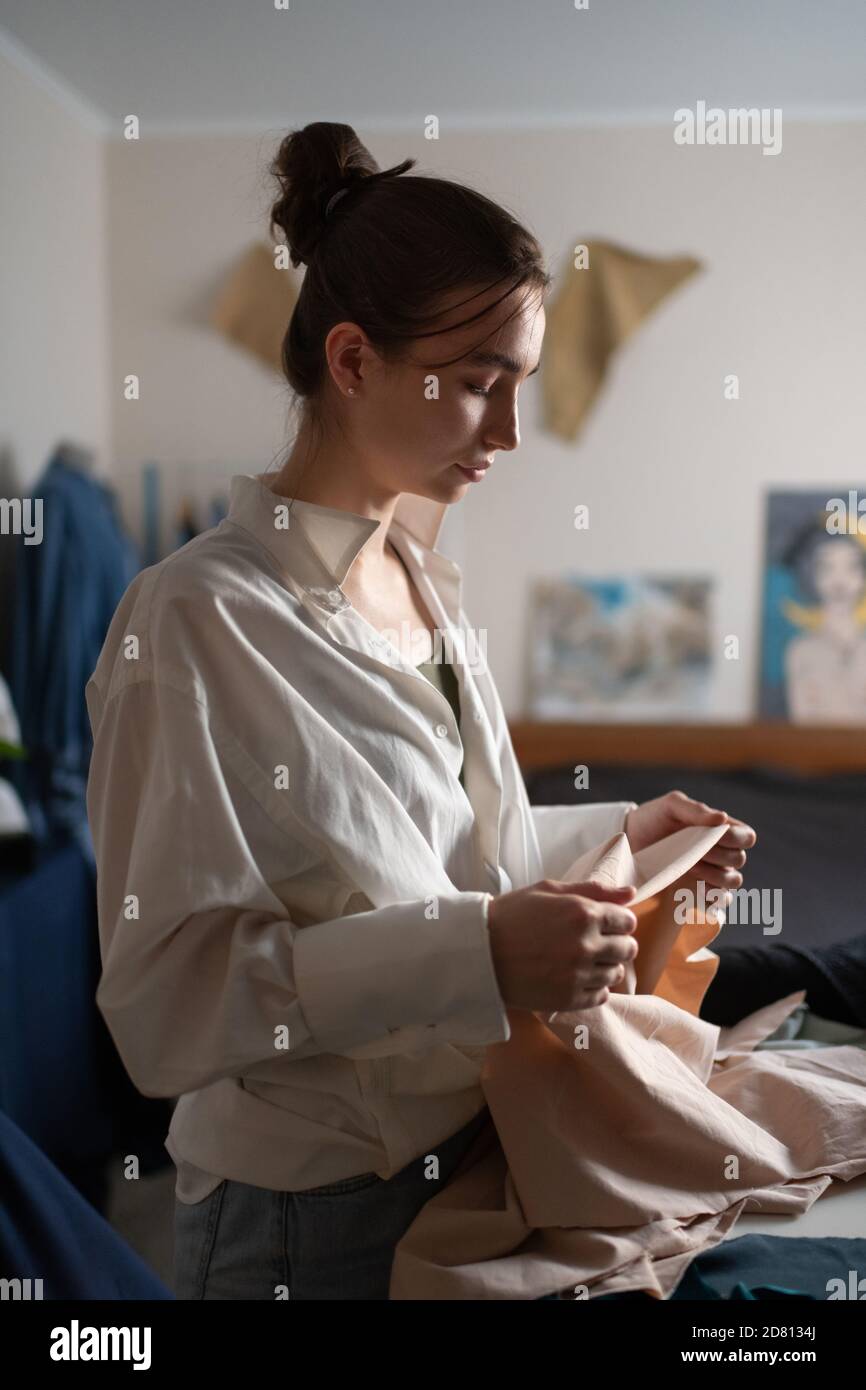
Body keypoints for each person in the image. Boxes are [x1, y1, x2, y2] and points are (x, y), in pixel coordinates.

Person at [85, 122, 755, 1301]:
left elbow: (421, 846)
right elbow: (165, 1003)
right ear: (351, 361)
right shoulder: (191, 620)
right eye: (482, 386)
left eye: (521, 390)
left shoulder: (416, 574)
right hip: (305, 1216)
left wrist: (617, 843)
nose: (506, 435)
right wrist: (480, 952)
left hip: (477, 1153)